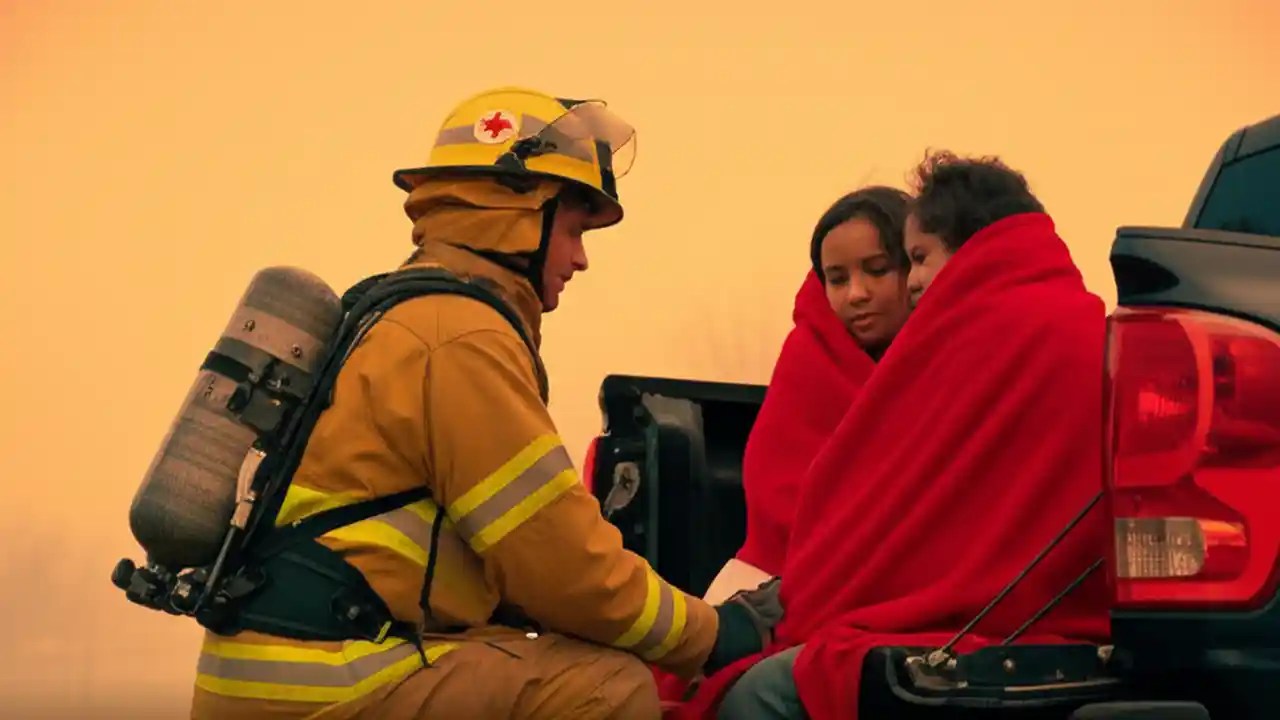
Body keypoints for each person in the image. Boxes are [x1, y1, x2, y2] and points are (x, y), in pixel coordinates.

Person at [188, 86, 778, 720]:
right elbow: (561, 566)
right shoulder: (460, 337)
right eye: (576, 230)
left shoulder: (404, 313)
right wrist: (718, 635)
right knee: (608, 689)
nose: (580, 259)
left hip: (282, 671)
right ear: (520, 213)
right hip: (329, 680)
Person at [683, 150, 1113, 720]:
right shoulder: (1098, 330)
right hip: (1052, 617)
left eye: (914, 260)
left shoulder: (966, 337)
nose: (911, 284)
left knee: (753, 693)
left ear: (970, 245)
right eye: (837, 279)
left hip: (968, 625)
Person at [702, 186, 912, 606]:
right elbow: (780, 500)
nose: (856, 293)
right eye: (837, 279)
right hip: (781, 588)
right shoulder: (808, 359)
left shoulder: (957, 361)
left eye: (877, 269)